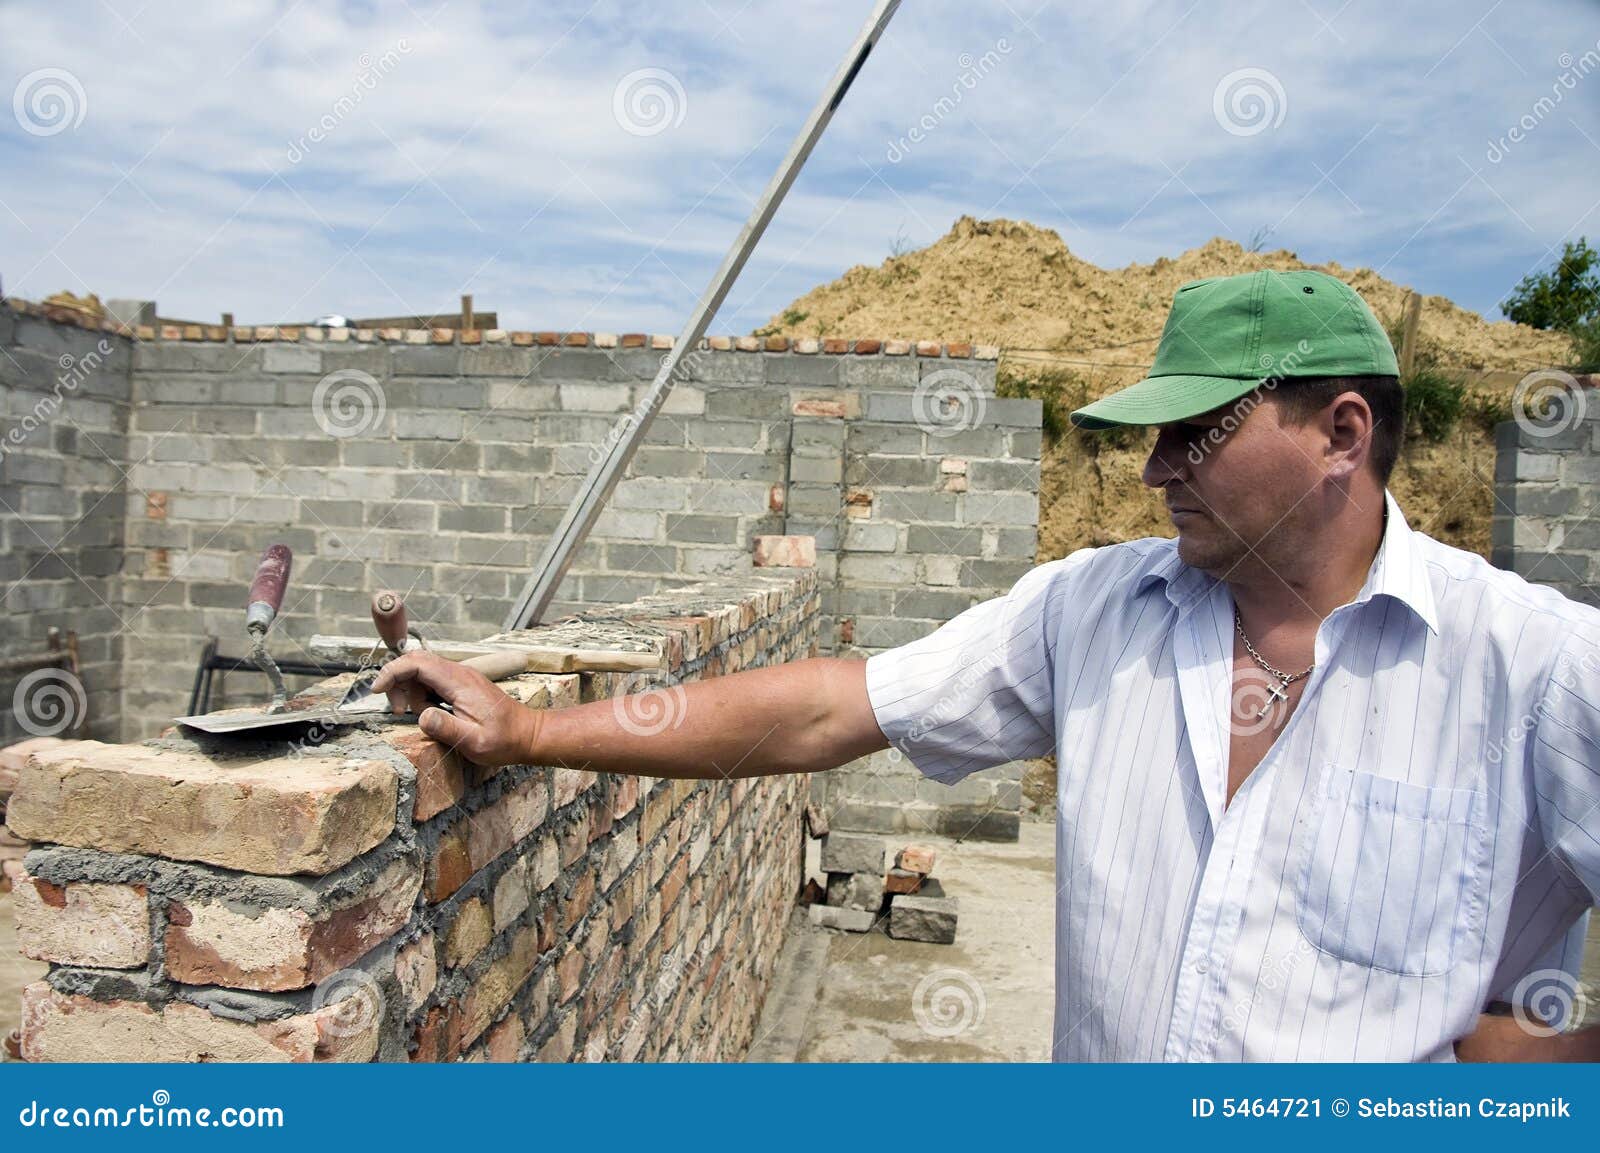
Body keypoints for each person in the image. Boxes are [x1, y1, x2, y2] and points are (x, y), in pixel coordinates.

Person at [374, 269, 1600, 1062]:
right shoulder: (1095, 610)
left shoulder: (1535, 671)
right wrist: (534, 735)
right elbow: (827, 708)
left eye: (1196, 432)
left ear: (1339, 433)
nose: (1154, 469)